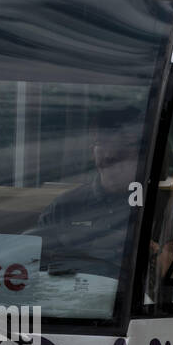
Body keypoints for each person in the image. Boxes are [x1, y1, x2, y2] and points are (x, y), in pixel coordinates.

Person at [32, 106, 145, 280]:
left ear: (142, 151)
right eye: (102, 142)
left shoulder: (160, 208)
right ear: (92, 150)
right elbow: (34, 271)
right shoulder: (63, 208)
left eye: (125, 144)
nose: (110, 154)